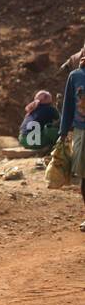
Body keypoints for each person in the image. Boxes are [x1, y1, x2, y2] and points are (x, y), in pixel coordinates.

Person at [58, 55, 85, 230]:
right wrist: (63, 131)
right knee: (84, 175)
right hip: (81, 131)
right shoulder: (75, 76)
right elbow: (68, 104)